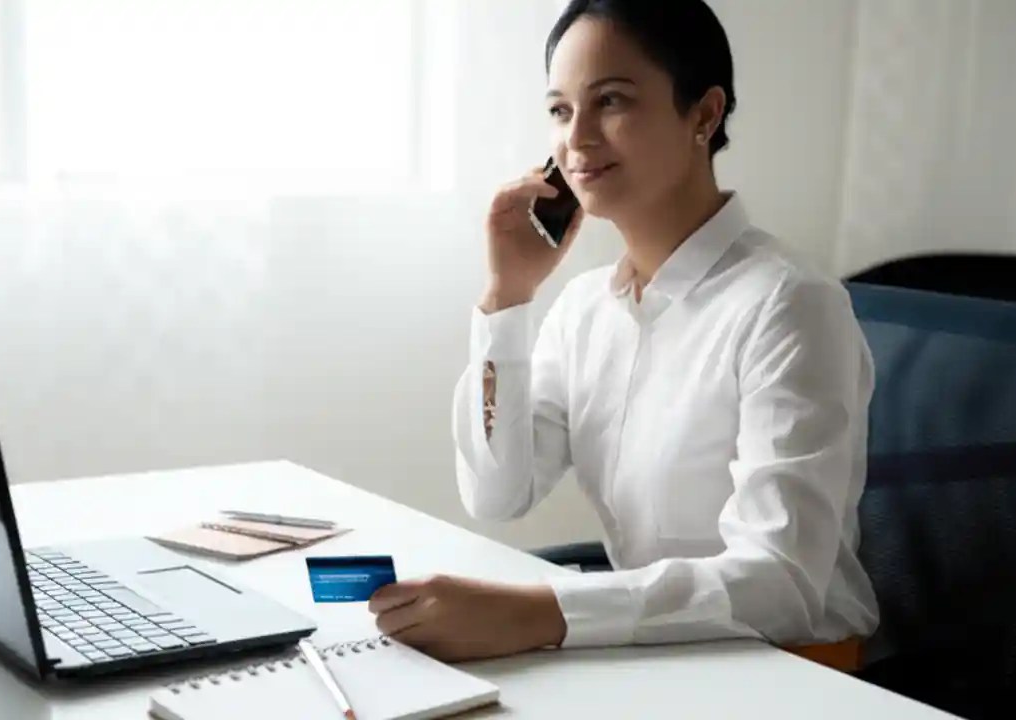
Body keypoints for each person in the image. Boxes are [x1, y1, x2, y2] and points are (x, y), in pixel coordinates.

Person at [368, 0, 879, 665]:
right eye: (559, 110)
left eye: (610, 101)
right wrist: (507, 298)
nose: (576, 140)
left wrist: (540, 613)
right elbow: (498, 493)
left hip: (793, 667)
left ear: (703, 112)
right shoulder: (585, 309)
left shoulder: (789, 304)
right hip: (661, 654)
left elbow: (781, 584)